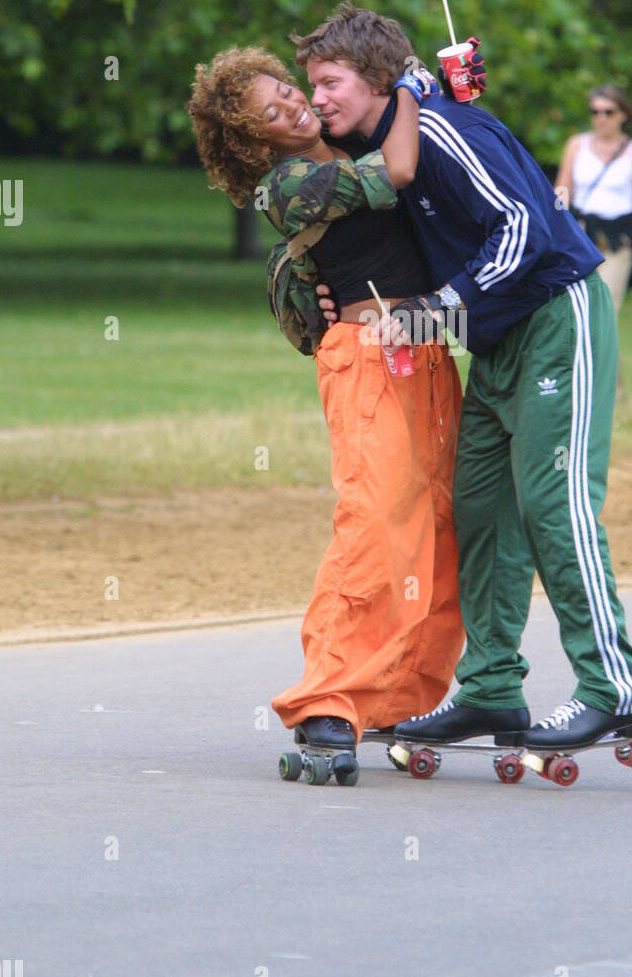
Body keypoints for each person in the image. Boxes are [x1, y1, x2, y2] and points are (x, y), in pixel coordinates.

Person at [293, 4, 632, 753]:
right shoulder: (401, 129)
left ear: (376, 79)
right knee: (482, 509)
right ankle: (492, 688)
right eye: (311, 85)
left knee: (553, 503)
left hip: (557, 315)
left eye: (329, 82)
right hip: (493, 342)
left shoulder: (443, 128)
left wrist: (439, 306)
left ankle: (614, 688)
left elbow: (522, 224)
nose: (317, 98)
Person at [187, 45, 465, 755]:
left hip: (428, 353)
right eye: (270, 112)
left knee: (438, 526)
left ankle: (398, 694)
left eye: (285, 88)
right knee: (373, 523)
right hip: (367, 359)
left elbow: (422, 151)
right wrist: (408, 85)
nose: (290, 103)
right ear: (255, 141)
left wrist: (451, 88)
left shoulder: (347, 138)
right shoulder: (286, 185)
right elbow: (397, 170)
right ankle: (327, 700)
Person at [556, 85, 632, 317]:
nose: (601, 118)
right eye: (595, 112)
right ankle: (594, 353)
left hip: (617, 239)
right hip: (582, 236)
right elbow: (562, 191)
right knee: (577, 308)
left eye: (608, 112)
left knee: (605, 309)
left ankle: (602, 352)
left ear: (623, 115)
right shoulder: (576, 145)